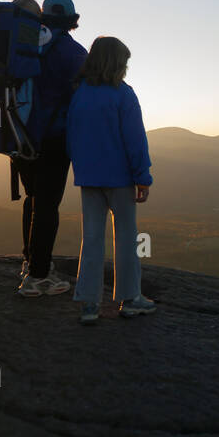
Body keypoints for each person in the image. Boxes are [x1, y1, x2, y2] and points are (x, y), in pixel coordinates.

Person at [67, 36, 155, 323]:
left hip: (89, 178)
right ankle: (130, 299)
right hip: (120, 178)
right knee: (126, 237)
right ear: (117, 63)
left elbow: (72, 137)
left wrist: (82, 168)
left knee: (91, 238)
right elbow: (135, 141)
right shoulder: (123, 94)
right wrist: (143, 177)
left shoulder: (79, 94)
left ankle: (89, 304)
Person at [14, 0, 88, 297]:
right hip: (54, 140)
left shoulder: (23, 45)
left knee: (32, 198)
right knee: (47, 205)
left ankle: (30, 262)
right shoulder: (74, 53)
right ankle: (38, 276)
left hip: (18, 136)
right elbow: (83, 101)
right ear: (71, 20)